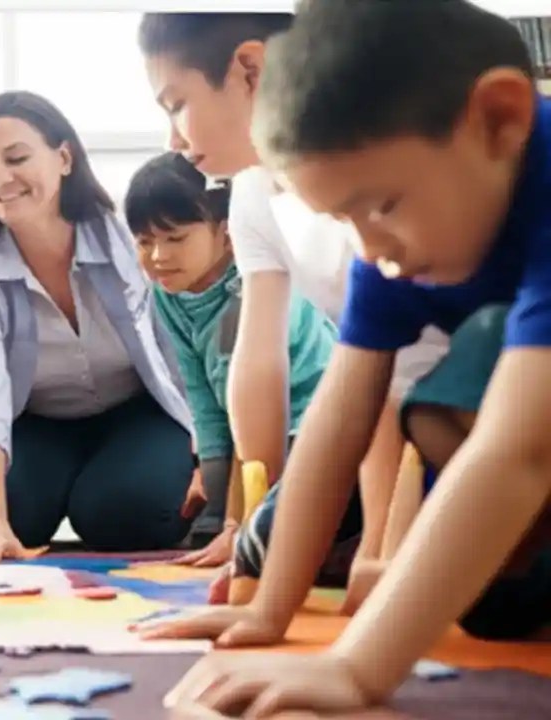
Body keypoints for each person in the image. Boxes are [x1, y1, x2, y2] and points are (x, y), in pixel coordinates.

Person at [157, 1, 551, 714]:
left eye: (382, 205)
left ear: (499, 120)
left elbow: (520, 450)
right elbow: (340, 421)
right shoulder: (388, 249)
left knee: (489, 350)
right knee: (488, 598)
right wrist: (271, 610)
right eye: (341, 219)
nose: (368, 250)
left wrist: (357, 668)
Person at [137, 10, 450, 610]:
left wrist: (380, 550)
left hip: (450, 411)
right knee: (266, 547)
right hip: (374, 421)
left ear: (250, 69)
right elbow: (258, 365)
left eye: (176, 105)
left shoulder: (374, 171)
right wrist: (246, 515)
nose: (172, 140)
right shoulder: (253, 193)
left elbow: (392, 379)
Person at [0, 90, 197, 565]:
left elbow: (181, 347)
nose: (0, 179)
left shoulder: (127, 239)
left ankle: (114, 484)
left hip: (139, 411)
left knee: (125, 516)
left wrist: (210, 458)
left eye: (16, 158)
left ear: (64, 158)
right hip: (42, 422)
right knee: (13, 515)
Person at [123, 153, 348, 587]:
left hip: (306, 422)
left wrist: (235, 522)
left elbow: (255, 406)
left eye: (174, 238)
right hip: (247, 421)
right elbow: (203, 396)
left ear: (225, 235)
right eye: (144, 241)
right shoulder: (169, 297)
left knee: (261, 533)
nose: (157, 256)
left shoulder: (251, 287)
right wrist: (213, 486)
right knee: (204, 528)